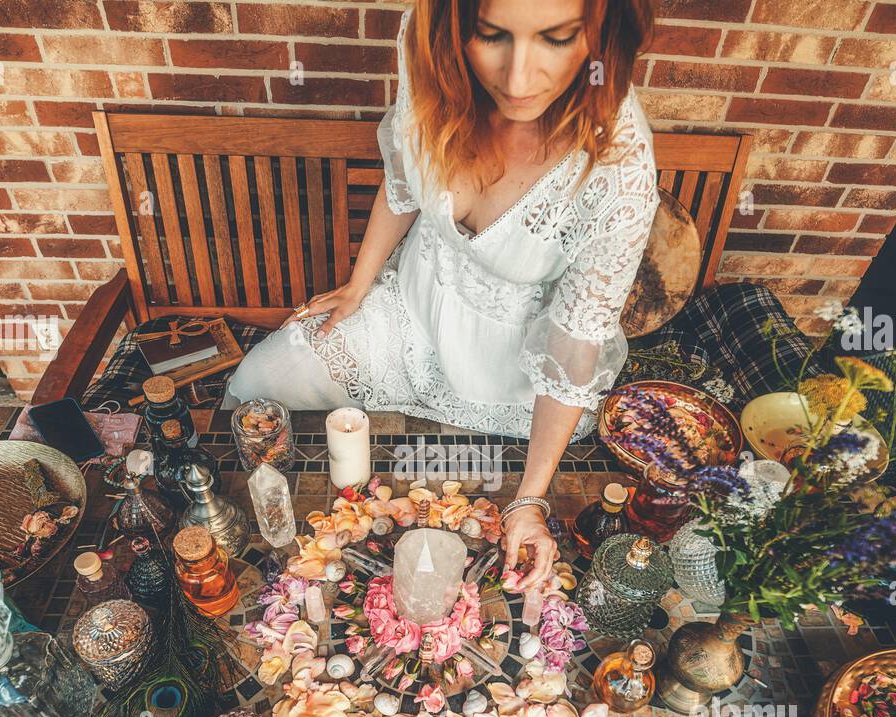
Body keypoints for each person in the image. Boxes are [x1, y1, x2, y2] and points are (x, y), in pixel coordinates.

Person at [225, 0, 659, 587]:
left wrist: (529, 503)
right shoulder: (429, 54)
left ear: (600, 37)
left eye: (556, 39)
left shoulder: (620, 169)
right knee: (260, 380)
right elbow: (403, 181)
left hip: (516, 375)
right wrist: (359, 284)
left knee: (476, 497)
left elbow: (575, 342)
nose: (518, 78)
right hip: (413, 310)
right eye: (491, 36)